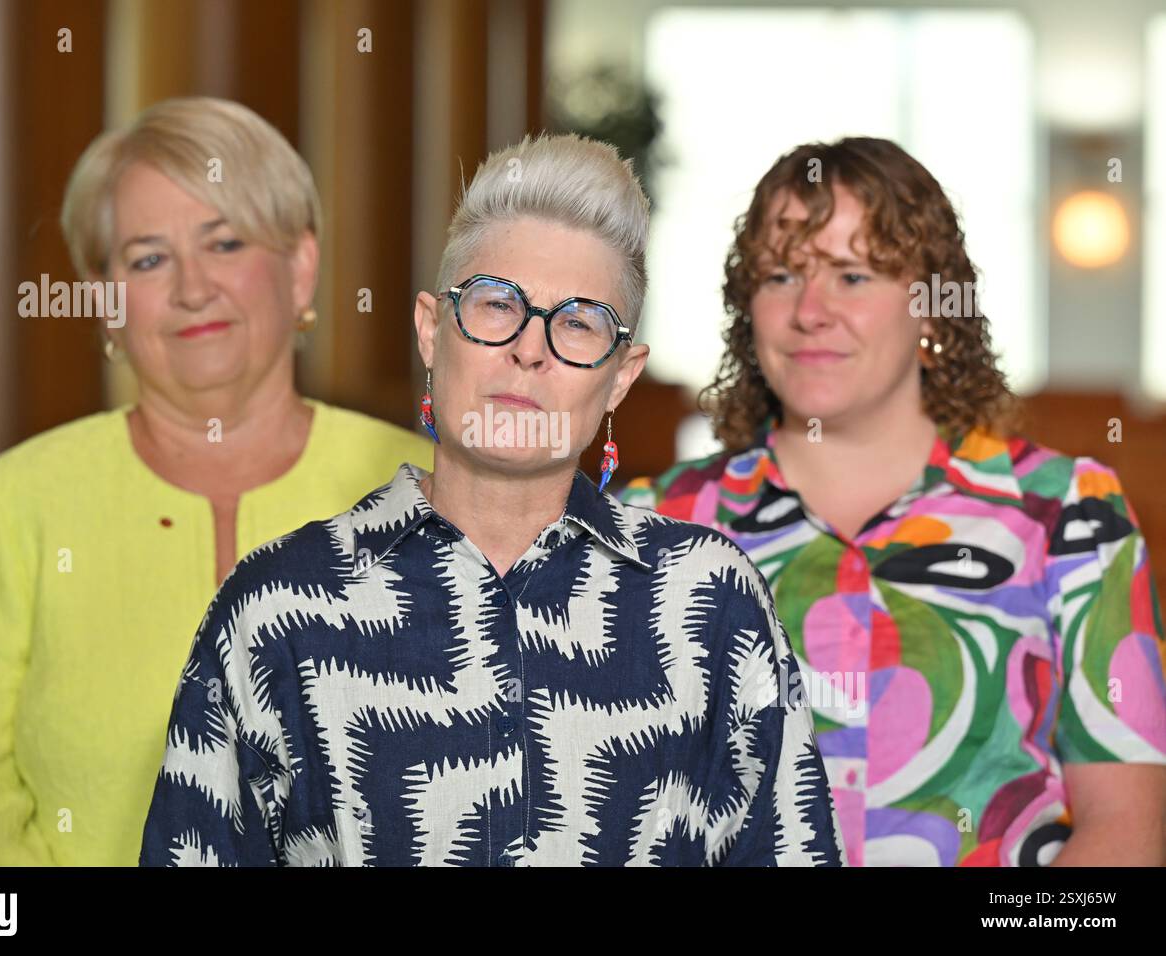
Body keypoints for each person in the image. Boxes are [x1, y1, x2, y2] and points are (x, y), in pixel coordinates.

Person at [138, 133, 844, 867]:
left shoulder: (709, 596)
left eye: (576, 323)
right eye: (496, 305)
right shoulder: (278, 607)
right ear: (431, 331)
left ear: (621, 377)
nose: (529, 350)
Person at [623, 137, 1166, 866]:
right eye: (781, 275)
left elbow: (1126, 836)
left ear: (932, 309)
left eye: (852, 275)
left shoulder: (1067, 513)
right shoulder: (654, 526)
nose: (810, 311)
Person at [0, 97, 433, 866]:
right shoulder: (13, 501)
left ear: (300, 268)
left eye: (224, 243)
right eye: (148, 258)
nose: (193, 288)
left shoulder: (417, 486)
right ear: (104, 301)